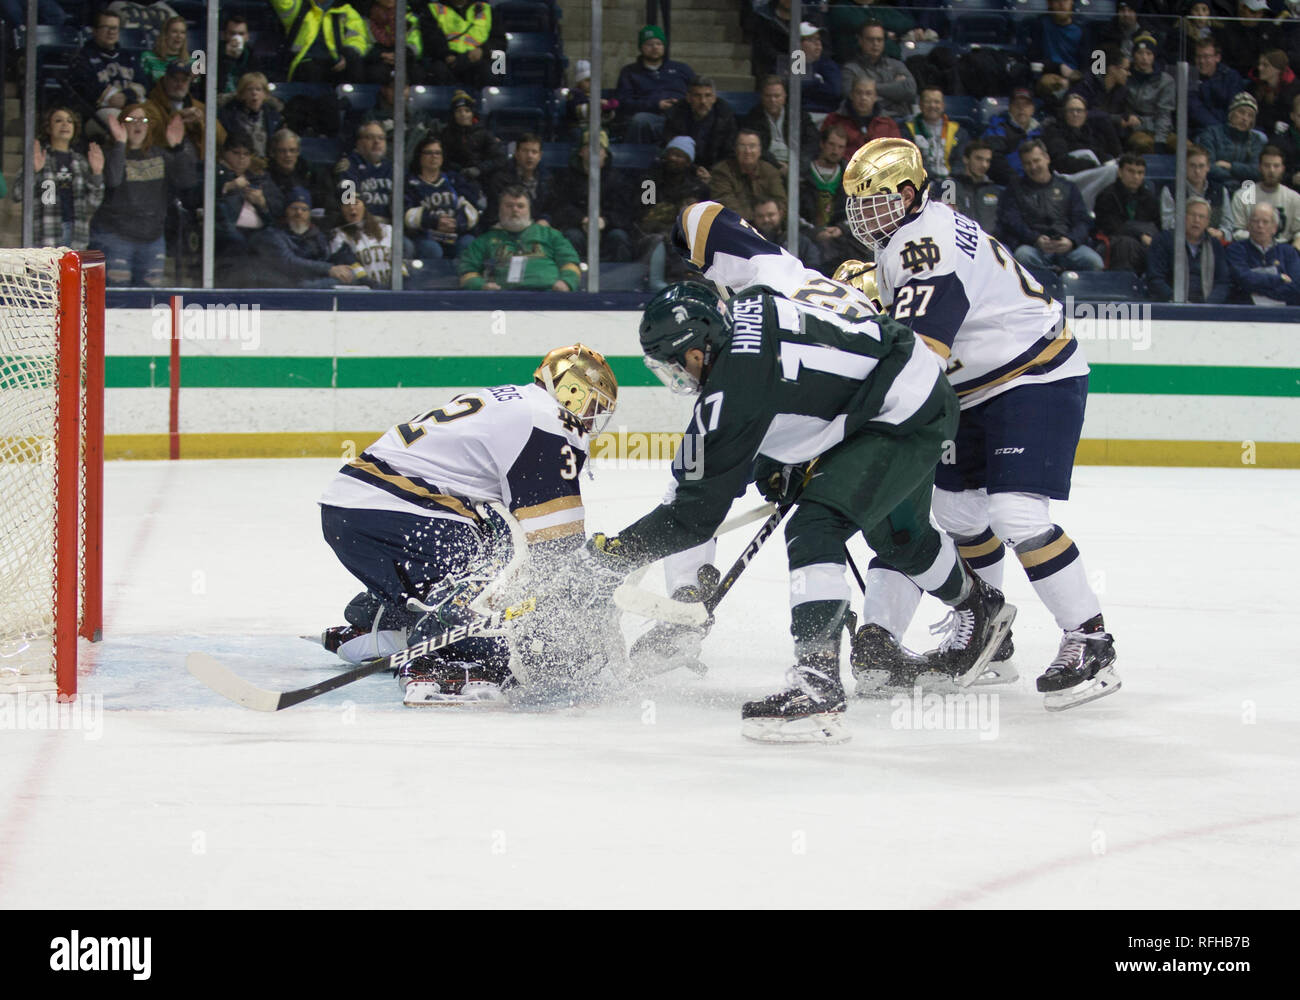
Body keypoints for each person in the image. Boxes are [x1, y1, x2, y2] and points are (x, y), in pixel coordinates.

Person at [571, 273, 1012, 744]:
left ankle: (816, 685)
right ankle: (980, 605)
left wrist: (615, 555)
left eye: (677, 366)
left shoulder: (732, 395)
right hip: (905, 379)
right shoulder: (749, 307)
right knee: (898, 537)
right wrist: (787, 458)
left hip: (898, 412)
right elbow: (800, 379)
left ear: (698, 350)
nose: (680, 377)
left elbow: (693, 515)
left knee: (816, 527)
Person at [841, 137, 1119, 711]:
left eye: (875, 202)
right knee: (959, 513)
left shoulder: (922, 246)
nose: (863, 217)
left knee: (1016, 513)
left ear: (910, 194)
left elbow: (921, 355)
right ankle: (992, 638)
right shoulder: (913, 232)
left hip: (1031, 376)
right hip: (973, 389)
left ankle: (1091, 640)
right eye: (856, 205)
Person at [317, 345, 618, 704]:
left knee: (493, 550)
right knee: (495, 585)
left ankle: (390, 618)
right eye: (593, 407)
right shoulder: (551, 421)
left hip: (348, 510)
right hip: (398, 510)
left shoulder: (509, 400)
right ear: (573, 392)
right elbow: (556, 544)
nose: (590, 420)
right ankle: (445, 661)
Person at [90, 104, 197, 286]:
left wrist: (178, 148)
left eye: (143, 120)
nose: (138, 124)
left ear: (150, 127)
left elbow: (186, 182)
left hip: (152, 238)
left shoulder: (161, 155)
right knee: (117, 296)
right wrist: (120, 144)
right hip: (115, 236)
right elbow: (113, 180)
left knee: (149, 299)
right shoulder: (109, 153)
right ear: (121, 125)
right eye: (131, 120)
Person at [997, 139, 1104, 271]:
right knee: (1022, 256)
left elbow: (1082, 220)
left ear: (1047, 158)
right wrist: (1035, 239)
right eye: (1027, 163)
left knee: (1094, 261)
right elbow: (1012, 221)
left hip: (1067, 245)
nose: (1033, 167)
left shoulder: (1067, 187)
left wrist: (1071, 240)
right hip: (1034, 247)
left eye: (1036, 161)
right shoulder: (1014, 189)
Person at [458, 186, 582, 290]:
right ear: (499, 209)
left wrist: (566, 283)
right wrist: (482, 286)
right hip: (502, 301)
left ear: (529, 210)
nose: (515, 210)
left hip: (549, 296)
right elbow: (466, 272)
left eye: (520, 206)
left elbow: (570, 263)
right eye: (509, 206)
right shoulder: (484, 240)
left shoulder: (550, 235)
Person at [542, 130, 637, 263]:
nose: (594, 152)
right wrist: (582, 219)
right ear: (581, 152)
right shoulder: (565, 178)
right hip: (577, 227)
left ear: (606, 154)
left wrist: (605, 221)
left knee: (619, 238)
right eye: (589, 147)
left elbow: (625, 211)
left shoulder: (619, 180)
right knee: (571, 237)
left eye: (599, 148)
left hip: (609, 229)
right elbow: (559, 206)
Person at [28, 108, 105, 250]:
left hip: (77, 237)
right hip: (46, 236)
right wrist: (34, 171)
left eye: (70, 121)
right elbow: (17, 194)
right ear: (48, 128)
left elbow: (93, 203)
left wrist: (97, 173)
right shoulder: (40, 158)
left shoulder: (80, 162)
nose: (65, 124)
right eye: (58, 120)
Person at [256, 187, 361, 288]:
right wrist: (329, 269)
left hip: (317, 283)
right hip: (288, 287)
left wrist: (352, 271)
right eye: (294, 208)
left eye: (304, 209)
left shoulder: (319, 235)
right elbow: (289, 262)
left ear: (309, 213)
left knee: (350, 275)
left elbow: (339, 255)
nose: (299, 213)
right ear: (286, 211)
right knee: (306, 286)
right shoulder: (273, 235)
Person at [214, 133, 284, 283]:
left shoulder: (259, 177)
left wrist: (262, 203)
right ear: (225, 152)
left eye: (246, 154)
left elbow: (278, 208)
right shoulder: (214, 174)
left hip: (260, 236)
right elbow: (195, 195)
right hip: (229, 239)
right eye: (236, 153)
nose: (241, 158)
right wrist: (227, 186)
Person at [63, 10, 147, 135]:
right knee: (119, 120)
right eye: (106, 27)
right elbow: (88, 90)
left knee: (153, 116)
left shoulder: (128, 57)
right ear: (95, 30)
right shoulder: (82, 57)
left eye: (115, 28)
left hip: (131, 109)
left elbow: (143, 85)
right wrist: (114, 97)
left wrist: (125, 97)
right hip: (97, 114)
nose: (111, 32)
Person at [1040, 92, 1122, 211]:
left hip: (1088, 175)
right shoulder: (1055, 131)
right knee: (1105, 166)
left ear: (1085, 114)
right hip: (1064, 179)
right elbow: (1060, 161)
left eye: (1079, 110)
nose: (1075, 114)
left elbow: (1100, 155)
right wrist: (1094, 166)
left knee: (1117, 167)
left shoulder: (1089, 133)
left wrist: (1108, 161)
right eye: (1071, 110)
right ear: (1064, 113)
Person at [615, 25, 696, 144]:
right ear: (641, 47)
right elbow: (623, 102)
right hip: (650, 117)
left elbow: (699, 90)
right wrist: (656, 104)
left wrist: (682, 103)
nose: (655, 48)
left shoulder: (681, 69)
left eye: (659, 44)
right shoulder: (629, 72)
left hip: (681, 115)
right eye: (649, 44)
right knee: (641, 120)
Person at [404, 136, 479, 262]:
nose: (434, 156)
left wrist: (457, 222)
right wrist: (435, 221)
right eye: (429, 153)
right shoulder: (410, 183)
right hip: (425, 236)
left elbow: (472, 209)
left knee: (469, 242)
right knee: (432, 249)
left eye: (438, 153)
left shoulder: (454, 180)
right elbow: (406, 214)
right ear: (419, 156)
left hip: (455, 235)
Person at [1147, 197, 1231, 302]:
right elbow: (1155, 278)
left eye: (1201, 217)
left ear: (1207, 222)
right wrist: (1176, 300)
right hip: (1172, 306)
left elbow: (1223, 282)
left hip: (1207, 309)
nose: (1196, 220)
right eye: (1192, 215)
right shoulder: (1163, 240)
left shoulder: (1214, 245)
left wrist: (1209, 305)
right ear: (1182, 217)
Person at [268, 0, 370, 83]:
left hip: (337, 61)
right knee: (311, 70)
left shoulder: (347, 11)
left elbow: (358, 38)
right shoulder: (298, 6)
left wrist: (347, 57)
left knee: (356, 68)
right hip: (305, 62)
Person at [801, 125, 857, 273]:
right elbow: (793, 211)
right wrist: (814, 231)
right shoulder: (802, 173)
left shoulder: (850, 177)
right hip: (807, 235)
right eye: (832, 145)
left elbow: (856, 212)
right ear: (822, 144)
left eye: (840, 147)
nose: (835, 150)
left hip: (838, 236)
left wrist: (841, 228)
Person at [144, 62, 221, 166]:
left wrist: (201, 125)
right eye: (175, 79)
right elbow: (151, 138)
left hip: (199, 168)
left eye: (184, 80)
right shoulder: (149, 107)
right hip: (163, 165)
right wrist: (178, 117)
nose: (180, 84)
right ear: (165, 80)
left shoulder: (200, 108)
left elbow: (221, 139)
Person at [1094, 153, 1161, 273]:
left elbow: (1157, 226)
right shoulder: (1107, 196)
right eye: (1131, 171)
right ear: (1120, 172)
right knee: (1127, 245)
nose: (1135, 176)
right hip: (1113, 244)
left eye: (1140, 173)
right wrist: (1140, 235)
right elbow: (1112, 227)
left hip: (1143, 245)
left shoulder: (1150, 198)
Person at [418, 0, 507, 89]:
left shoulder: (487, 10)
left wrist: (482, 51)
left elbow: (500, 41)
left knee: (495, 68)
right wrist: (446, 55)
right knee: (437, 70)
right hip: (448, 61)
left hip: (480, 60)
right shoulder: (433, 9)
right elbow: (430, 38)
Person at [739, 76, 816, 177]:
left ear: (785, 96)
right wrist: (778, 166)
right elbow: (756, 148)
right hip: (766, 166)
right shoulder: (753, 117)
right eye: (768, 96)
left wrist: (796, 167)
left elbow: (812, 142)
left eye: (777, 96)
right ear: (762, 97)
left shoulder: (799, 115)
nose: (773, 100)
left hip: (797, 164)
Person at [1226, 202, 1300, 304]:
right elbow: (1244, 279)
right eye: (1255, 221)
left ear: (1274, 228)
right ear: (1248, 225)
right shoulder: (1236, 249)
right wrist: (1279, 279)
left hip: (1284, 314)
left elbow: (1296, 287)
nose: (1260, 226)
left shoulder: (1288, 251)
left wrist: (1259, 290)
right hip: (1246, 313)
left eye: (1265, 222)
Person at [708, 129, 786, 223]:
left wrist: (767, 217)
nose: (747, 151)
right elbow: (726, 205)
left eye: (752, 146)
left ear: (760, 150)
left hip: (768, 223)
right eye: (742, 146)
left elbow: (781, 202)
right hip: (736, 227)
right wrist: (757, 220)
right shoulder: (722, 172)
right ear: (736, 149)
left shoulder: (770, 171)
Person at [663, 77, 738, 174]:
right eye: (697, 96)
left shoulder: (725, 117)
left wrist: (712, 172)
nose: (703, 101)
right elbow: (671, 150)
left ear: (714, 98)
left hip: (715, 171)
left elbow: (729, 153)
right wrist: (694, 170)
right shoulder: (675, 114)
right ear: (688, 98)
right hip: (682, 169)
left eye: (708, 96)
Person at [266, 128, 337, 229]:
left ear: (298, 152)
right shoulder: (267, 175)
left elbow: (328, 201)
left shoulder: (311, 170)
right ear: (273, 153)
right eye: (282, 151)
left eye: (292, 150)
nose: (288, 155)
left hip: (315, 224)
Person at [1228, 146, 1300, 244]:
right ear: (1260, 167)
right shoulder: (1242, 196)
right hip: (1249, 250)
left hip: (1284, 250)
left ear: (1283, 169)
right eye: (1267, 165)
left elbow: (1298, 231)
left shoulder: (1294, 198)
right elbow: (1237, 231)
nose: (1271, 170)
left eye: (1276, 166)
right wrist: (1263, 238)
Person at [823, 77, 902, 161]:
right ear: (851, 95)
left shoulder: (888, 124)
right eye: (859, 93)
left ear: (875, 97)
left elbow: (897, 153)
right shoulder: (834, 120)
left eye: (868, 93)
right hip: (844, 169)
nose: (863, 98)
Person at [1159, 143, 1228, 237]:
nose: (1197, 171)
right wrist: (1198, 232)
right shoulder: (1171, 190)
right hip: (1180, 242)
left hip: (1213, 242)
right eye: (1192, 166)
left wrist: (1221, 233)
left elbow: (1228, 225)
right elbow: (1167, 225)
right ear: (1184, 166)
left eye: (1201, 166)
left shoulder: (1221, 191)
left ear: (1208, 167)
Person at [933, 138, 1000, 235]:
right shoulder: (949, 186)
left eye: (988, 161)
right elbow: (943, 221)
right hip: (959, 243)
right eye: (979, 159)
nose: (984, 165)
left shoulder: (994, 191)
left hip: (990, 244)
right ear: (966, 159)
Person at [1197, 92, 1266, 186]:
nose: (1245, 118)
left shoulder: (1256, 140)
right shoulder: (1212, 134)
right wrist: (1239, 176)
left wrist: (1230, 167)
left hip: (1245, 190)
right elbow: (1208, 167)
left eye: (1250, 115)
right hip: (1215, 185)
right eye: (1241, 112)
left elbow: (1257, 171)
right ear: (1231, 113)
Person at [484, 133, 551, 228]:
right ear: (516, 154)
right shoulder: (500, 179)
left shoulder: (547, 178)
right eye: (525, 151)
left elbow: (551, 207)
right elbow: (494, 212)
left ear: (540, 156)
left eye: (534, 152)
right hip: (506, 227)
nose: (529, 156)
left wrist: (545, 219)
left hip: (537, 228)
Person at [331, 195, 399, 287]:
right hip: (365, 292)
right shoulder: (339, 236)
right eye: (347, 204)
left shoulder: (387, 230)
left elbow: (401, 261)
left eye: (356, 202)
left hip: (394, 290)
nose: (352, 207)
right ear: (341, 210)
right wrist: (375, 287)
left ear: (364, 206)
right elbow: (352, 267)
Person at [440, 91, 507, 185]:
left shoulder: (484, 133)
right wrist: (459, 170)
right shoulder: (446, 134)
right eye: (459, 111)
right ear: (453, 114)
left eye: (467, 111)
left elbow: (499, 158)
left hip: (482, 178)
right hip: (454, 177)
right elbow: (443, 159)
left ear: (472, 113)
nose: (463, 114)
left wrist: (479, 169)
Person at [335, 121, 395, 223]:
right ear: (359, 143)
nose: (377, 142)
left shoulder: (394, 168)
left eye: (381, 138)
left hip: (391, 229)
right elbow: (349, 202)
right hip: (360, 226)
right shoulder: (349, 166)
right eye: (370, 137)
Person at [904, 86, 969, 180]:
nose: (932, 105)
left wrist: (951, 178)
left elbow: (960, 161)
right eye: (928, 102)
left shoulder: (958, 131)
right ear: (920, 105)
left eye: (936, 102)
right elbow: (912, 161)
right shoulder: (908, 130)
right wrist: (933, 178)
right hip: (921, 181)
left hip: (952, 182)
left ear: (943, 105)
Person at [982, 88, 1045, 185]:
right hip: (1008, 185)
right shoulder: (997, 128)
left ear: (1032, 109)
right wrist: (1017, 182)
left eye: (1026, 105)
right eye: (1017, 105)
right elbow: (994, 160)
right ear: (1010, 108)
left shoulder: (1041, 132)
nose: (1021, 108)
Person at [217, 73, 283, 163]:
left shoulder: (274, 118)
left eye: (258, 89)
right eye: (249, 89)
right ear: (242, 94)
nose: (254, 93)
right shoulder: (228, 116)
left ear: (265, 94)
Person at [1188, 38, 1245, 133]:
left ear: (1217, 58)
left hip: (1230, 128)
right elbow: (1195, 109)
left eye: (1206, 57)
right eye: (1198, 57)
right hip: (1201, 130)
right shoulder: (1190, 76)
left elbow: (1235, 108)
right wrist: (1219, 130)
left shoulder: (1231, 76)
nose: (1201, 61)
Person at [364, 0, 423, 85]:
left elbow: (415, 44)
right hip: (377, 60)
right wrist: (380, 55)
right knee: (375, 73)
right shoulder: (366, 19)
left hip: (405, 58)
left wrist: (401, 55)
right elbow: (363, 45)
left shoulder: (410, 18)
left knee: (417, 73)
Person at [798, 23, 842, 119]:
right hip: (798, 116)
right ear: (797, 43)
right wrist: (818, 81)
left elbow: (835, 91)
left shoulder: (828, 65)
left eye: (818, 39)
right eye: (811, 39)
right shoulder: (790, 64)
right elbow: (793, 89)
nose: (817, 43)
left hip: (826, 116)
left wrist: (809, 82)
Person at [1252, 50, 1300, 137]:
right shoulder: (1254, 86)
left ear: (1277, 69)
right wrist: (1272, 124)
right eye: (1259, 64)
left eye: (1265, 65)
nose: (1260, 68)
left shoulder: (1295, 89)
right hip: (1261, 129)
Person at [217, 13, 265, 96]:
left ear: (247, 37)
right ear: (224, 35)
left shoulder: (252, 58)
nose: (236, 38)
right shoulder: (214, 55)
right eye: (232, 34)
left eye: (241, 34)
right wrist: (228, 58)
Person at [140, 16, 191, 92]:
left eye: (182, 32)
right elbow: (143, 86)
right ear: (165, 34)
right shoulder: (148, 57)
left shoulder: (192, 61)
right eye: (174, 32)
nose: (179, 36)